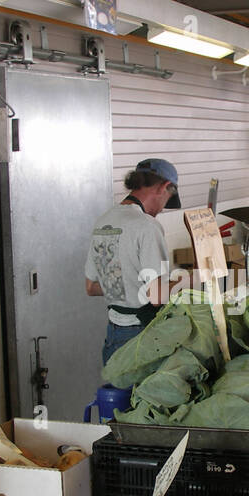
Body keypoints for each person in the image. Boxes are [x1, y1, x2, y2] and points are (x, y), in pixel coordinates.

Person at [85, 158, 183, 368]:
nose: (162, 209)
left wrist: (128, 286)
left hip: (114, 337)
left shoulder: (103, 221)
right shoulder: (147, 226)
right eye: (166, 200)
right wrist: (188, 280)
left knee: (118, 390)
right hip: (143, 338)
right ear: (164, 187)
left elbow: (91, 287)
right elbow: (158, 297)